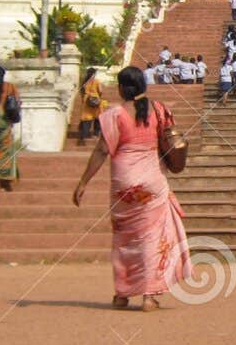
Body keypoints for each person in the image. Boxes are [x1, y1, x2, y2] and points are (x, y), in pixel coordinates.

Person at [72, 65, 193, 310]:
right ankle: (149, 295)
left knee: (124, 239)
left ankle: (122, 294)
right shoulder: (159, 109)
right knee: (151, 238)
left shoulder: (113, 114)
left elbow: (102, 151)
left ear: (120, 88)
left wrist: (83, 182)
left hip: (123, 183)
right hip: (152, 181)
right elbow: (171, 138)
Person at [75, 65, 104, 144]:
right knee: (98, 117)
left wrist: (84, 99)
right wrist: (98, 96)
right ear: (94, 74)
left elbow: (82, 92)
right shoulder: (96, 81)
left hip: (86, 101)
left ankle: (83, 136)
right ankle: (95, 134)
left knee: (86, 119)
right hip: (95, 100)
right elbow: (100, 91)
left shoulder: (84, 82)